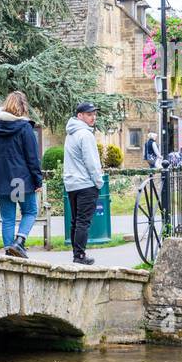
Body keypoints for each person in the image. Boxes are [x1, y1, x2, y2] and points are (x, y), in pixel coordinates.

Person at [0, 90, 42, 259]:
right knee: (29, 211)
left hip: (1, 179)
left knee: (8, 217)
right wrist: (38, 180)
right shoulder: (24, 128)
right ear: (23, 106)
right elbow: (32, 158)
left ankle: (9, 253)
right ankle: (19, 242)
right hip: (19, 180)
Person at [63, 102, 104, 265]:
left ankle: (76, 254)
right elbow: (92, 162)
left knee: (76, 221)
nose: (93, 117)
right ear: (80, 116)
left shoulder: (70, 133)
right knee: (83, 222)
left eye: (94, 114)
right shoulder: (85, 134)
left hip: (72, 184)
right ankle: (79, 255)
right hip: (86, 184)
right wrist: (99, 182)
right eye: (89, 114)